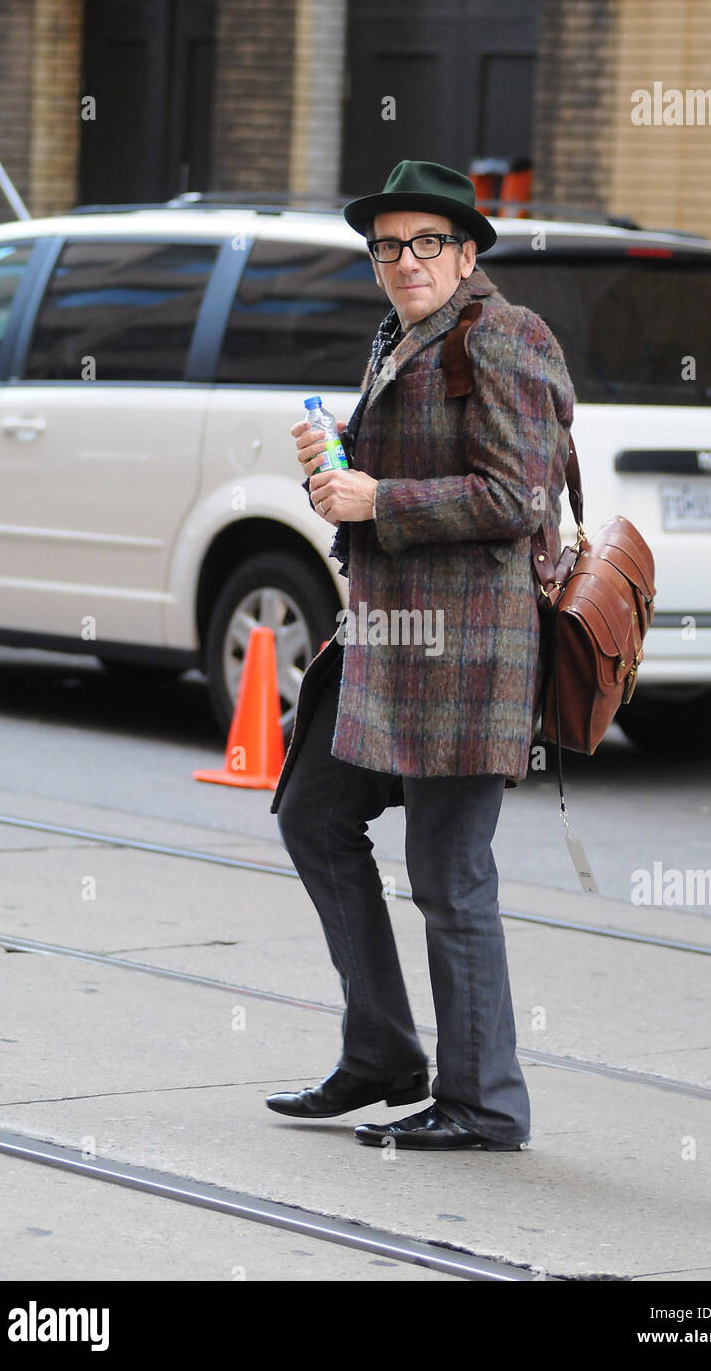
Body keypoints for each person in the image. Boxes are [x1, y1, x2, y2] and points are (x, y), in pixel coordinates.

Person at [265, 160, 574, 1151]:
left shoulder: (507, 336)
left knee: (448, 873)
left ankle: (484, 1101)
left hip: (464, 654)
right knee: (314, 813)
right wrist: (341, 464)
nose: (404, 260)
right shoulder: (406, 332)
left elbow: (514, 499)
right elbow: (414, 469)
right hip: (387, 641)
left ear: (468, 251)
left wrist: (378, 501)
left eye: (426, 242)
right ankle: (384, 1053)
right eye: (387, 245)